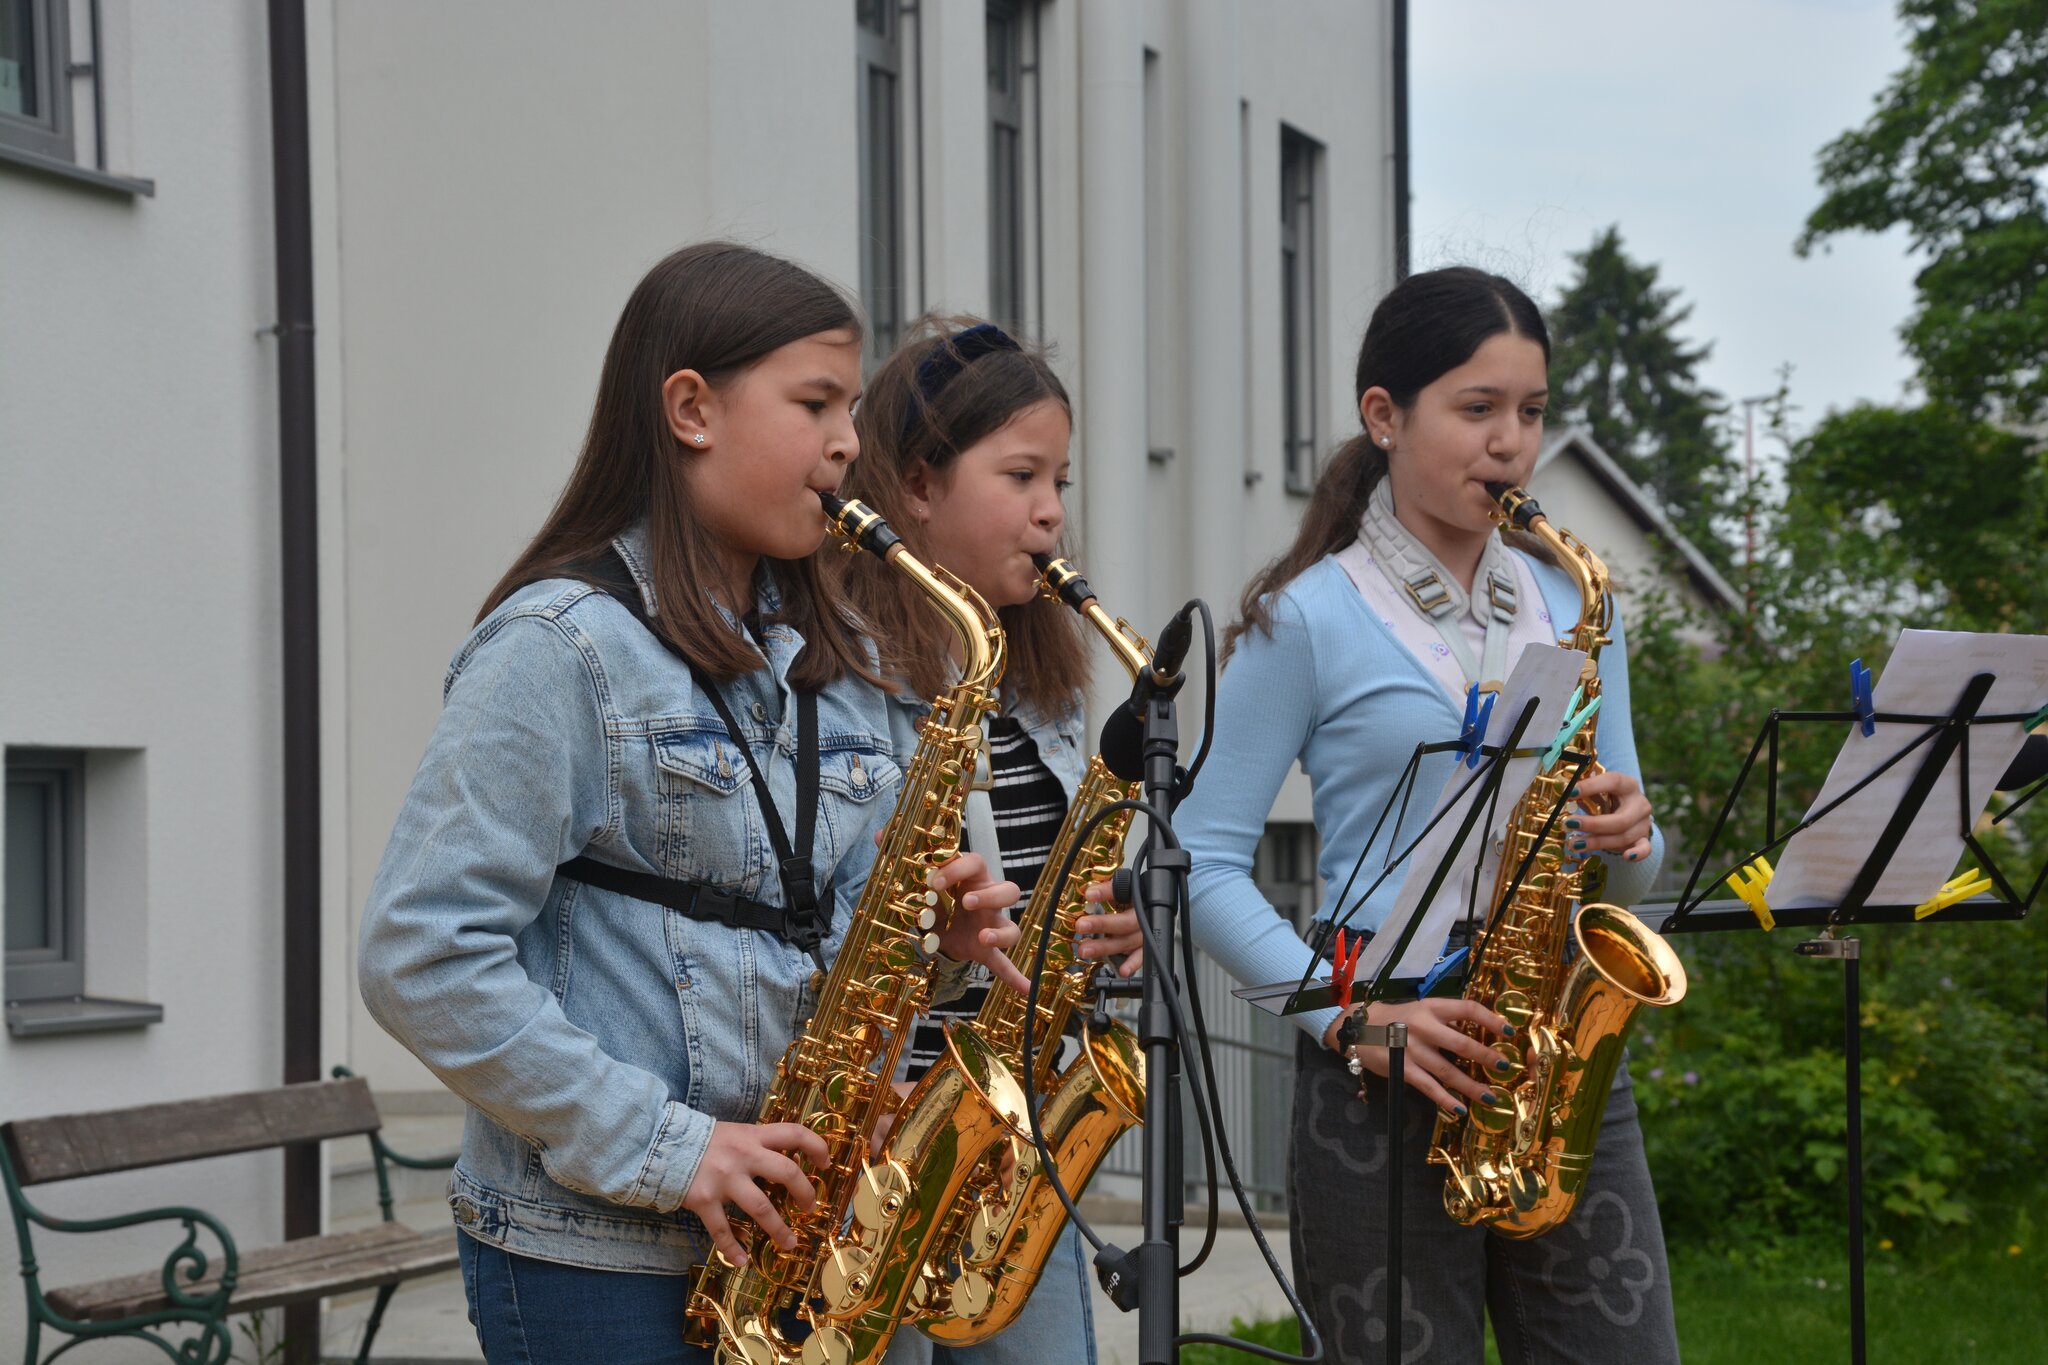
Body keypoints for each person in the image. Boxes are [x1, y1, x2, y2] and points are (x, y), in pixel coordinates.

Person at [357, 244, 1030, 1365]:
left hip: (801, 1248)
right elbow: (419, 956)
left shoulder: (841, 657)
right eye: (814, 403)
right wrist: (671, 1150)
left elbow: (843, 942)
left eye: (850, 410)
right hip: (596, 1258)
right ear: (690, 410)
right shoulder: (556, 648)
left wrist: (935, 943)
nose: (847, 445)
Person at [1109, 267, 1679, 1363]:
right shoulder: (1307, 616)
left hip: (1548, 1051)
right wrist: (1353, 1023)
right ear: (1383, 416)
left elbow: (1626, 878)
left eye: (1529, 412)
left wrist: (1628, 842)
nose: (1509, 443)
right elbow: (1202, 862)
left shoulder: (1572, 602)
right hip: (1376, 1063)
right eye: (1475, 410)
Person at [833, 317, 1143, 1365]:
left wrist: (1111, 921)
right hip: (880, 1141)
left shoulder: (1036, 671)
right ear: (917, 484)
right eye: (1020, 476)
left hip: (1008, 1142)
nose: (1052, 512)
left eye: (1058, 479)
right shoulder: (836, 670)